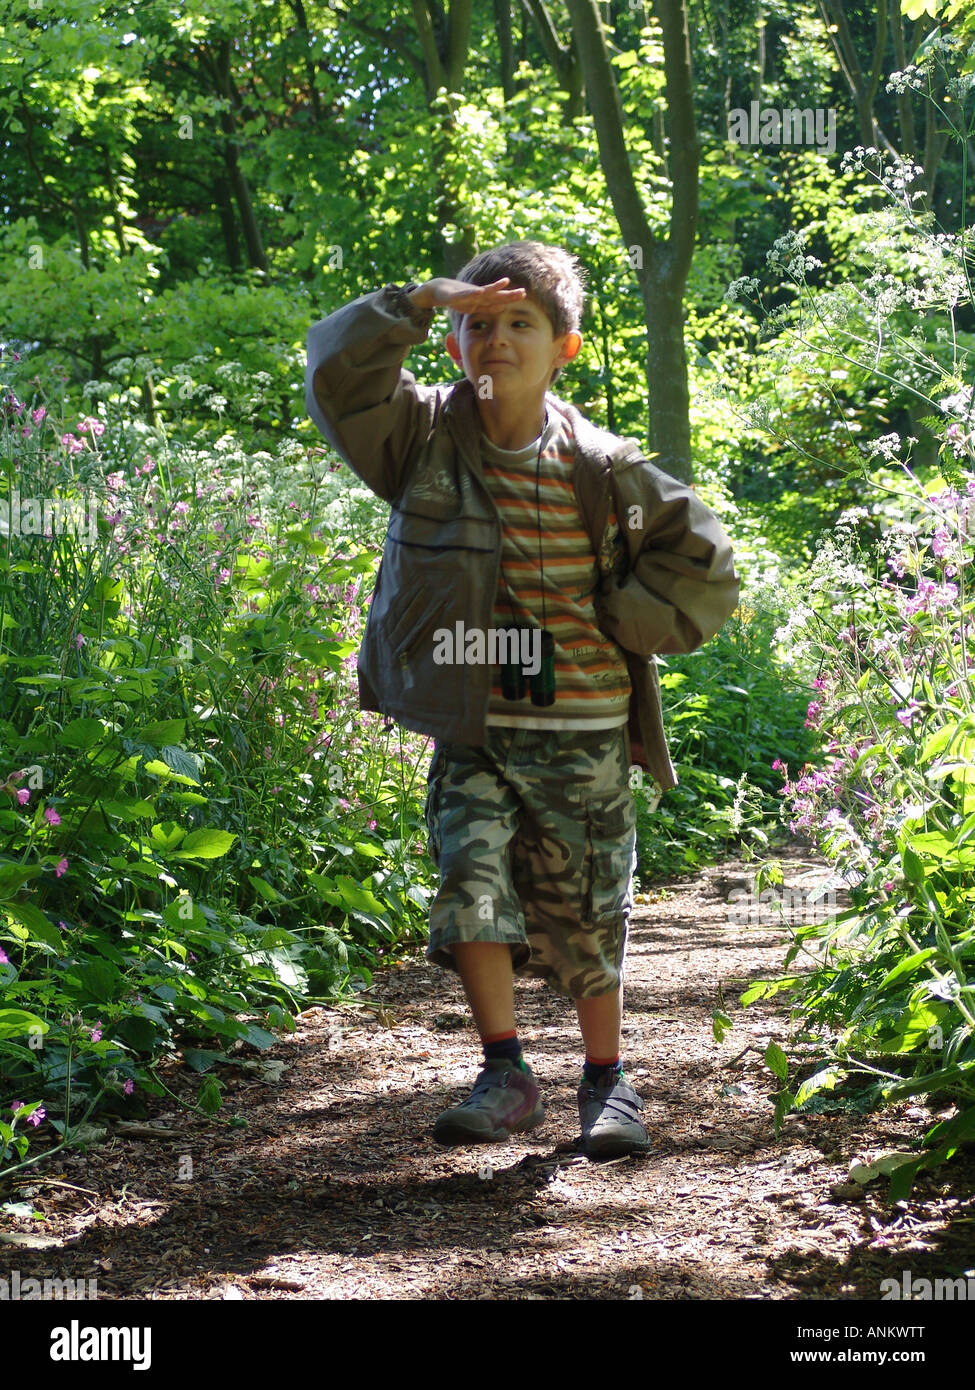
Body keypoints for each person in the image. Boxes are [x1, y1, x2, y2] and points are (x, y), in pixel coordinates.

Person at [305, 240, 740, 1158]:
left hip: (582, 729)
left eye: (518, 324)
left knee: (585, 913)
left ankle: (605, 1082)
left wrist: (630, 612)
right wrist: (416, 298)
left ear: (561, 347)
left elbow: (705, 561)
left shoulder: (606, 468)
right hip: (477, 728)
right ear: (453, 341)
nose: (493, 339)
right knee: (468, 888)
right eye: (474, 323)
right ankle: (505, 1073)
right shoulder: (418, 439)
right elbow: (338, 377)